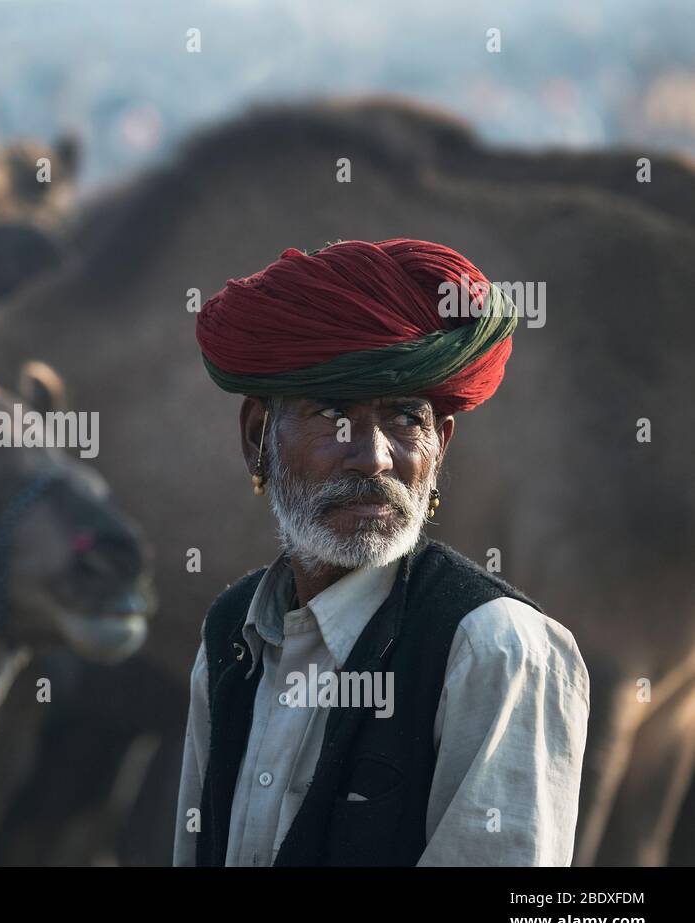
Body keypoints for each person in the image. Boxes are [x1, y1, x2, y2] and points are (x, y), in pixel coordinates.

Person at [174, 239, 589, 866]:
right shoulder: (233, 635)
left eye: (403, 419)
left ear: (439, 446)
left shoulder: (493, 650)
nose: (373, 457)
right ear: (258, 435)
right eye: (333, 414)